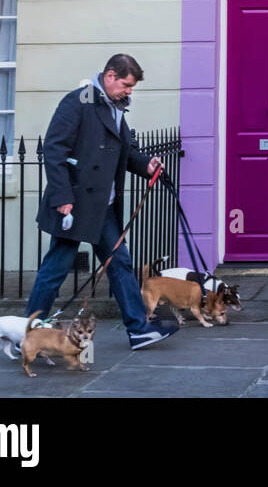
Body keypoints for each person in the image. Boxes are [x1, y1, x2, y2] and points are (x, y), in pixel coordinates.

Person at [25, 53, 178, 350]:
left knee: (120, 262)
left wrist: (146, 165)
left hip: (102, 206)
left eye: (131, 86)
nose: (129, 91)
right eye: (125, 84)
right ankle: (30, 333)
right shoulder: (78, 101)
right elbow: (54, 150)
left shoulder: (116, 107)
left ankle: (139, 329)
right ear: (109, 76)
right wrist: (62, 197)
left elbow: (125, 151)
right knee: (55, 268)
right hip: (74, 203)